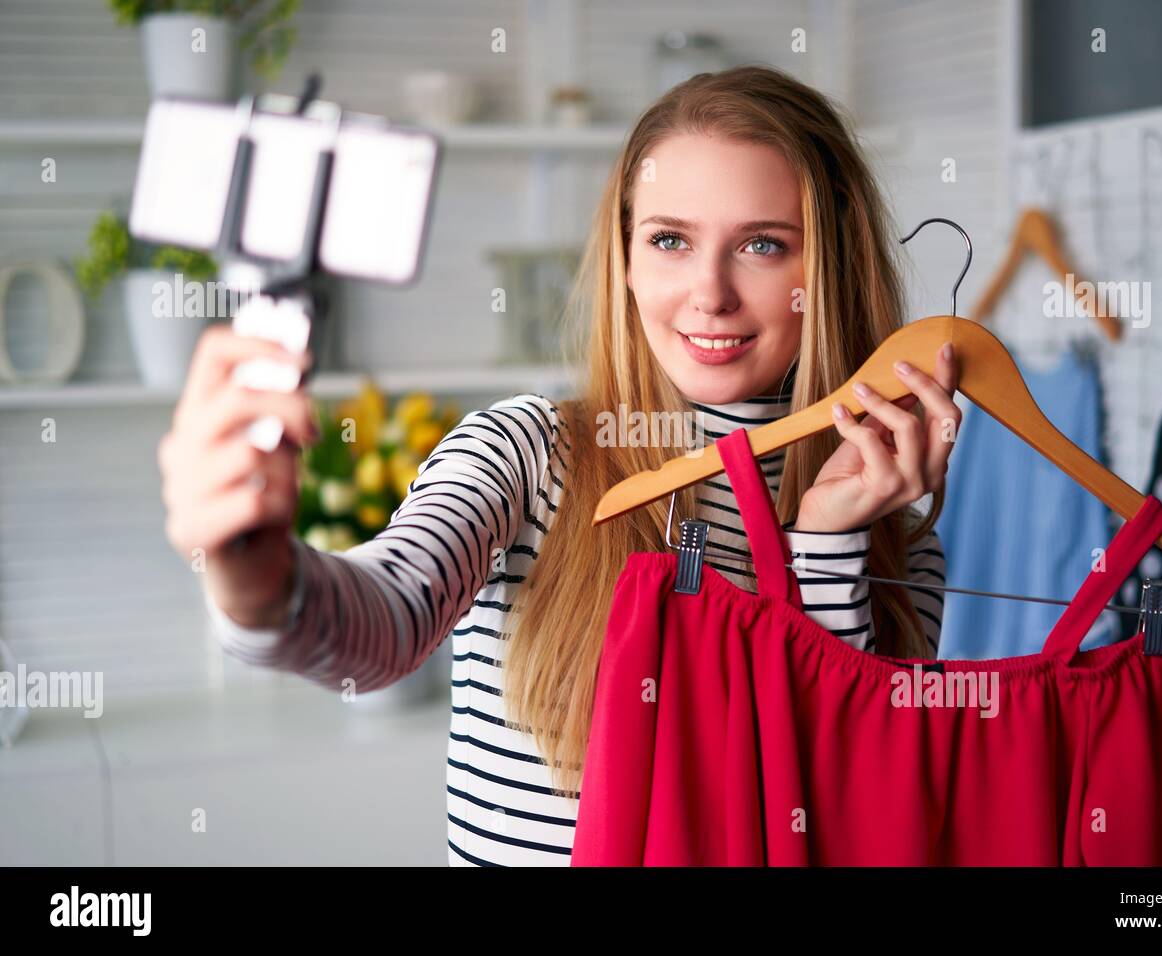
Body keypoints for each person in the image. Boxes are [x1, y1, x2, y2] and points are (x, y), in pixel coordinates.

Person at [157, 64, 963, 866]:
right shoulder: (527, 454)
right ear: (624, 260)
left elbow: (833, 822)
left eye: (762, 245)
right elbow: (385, 623)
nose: (708, 293)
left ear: (827, 269)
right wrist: (256, 580)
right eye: (670, 240)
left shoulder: (896, 548)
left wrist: (825, 543)